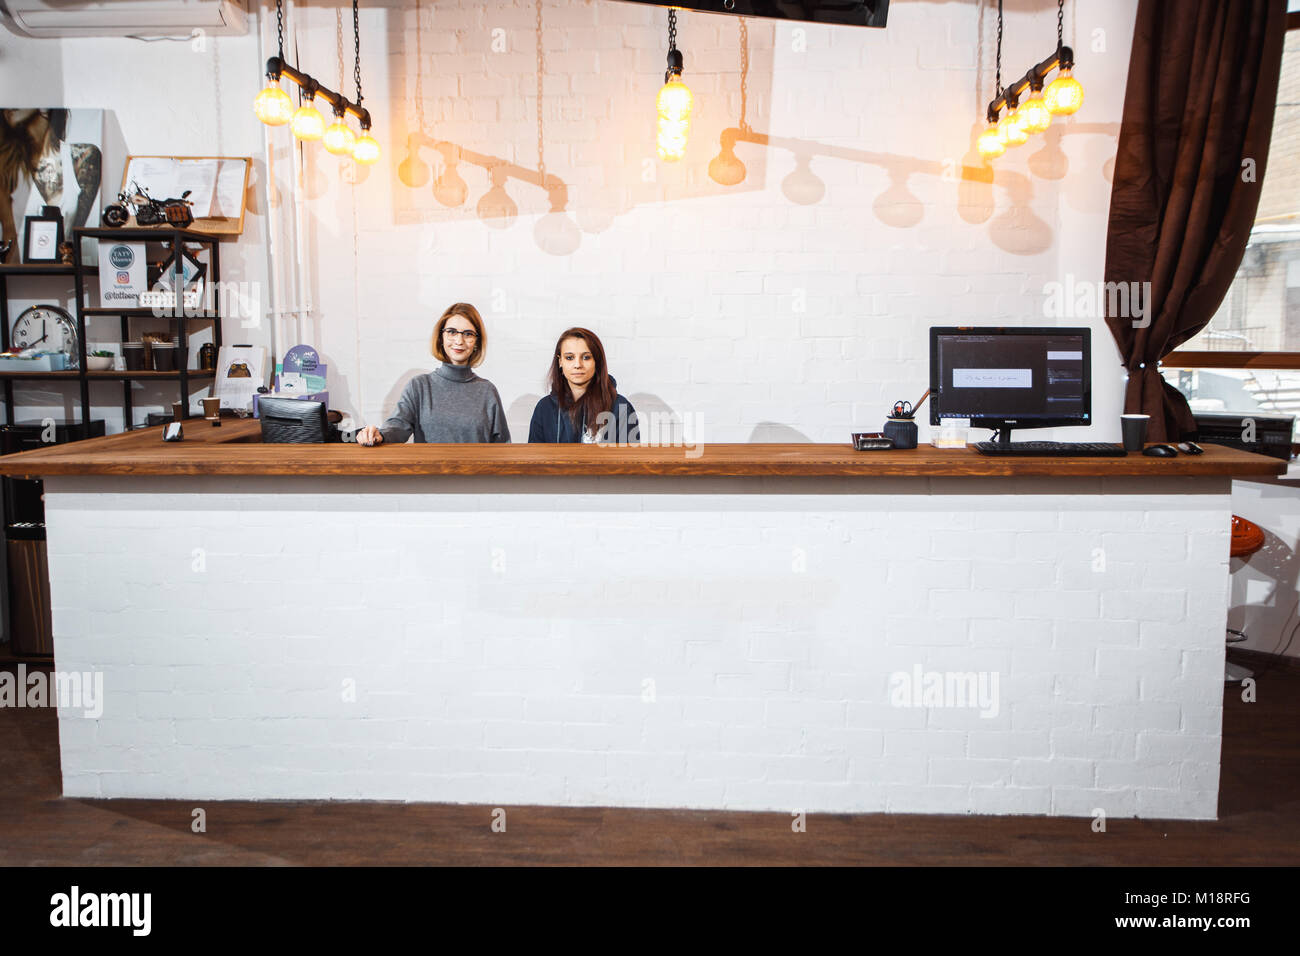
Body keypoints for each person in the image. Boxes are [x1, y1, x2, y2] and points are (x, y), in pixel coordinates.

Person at [357, 303, 510, 445]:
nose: (459, 340)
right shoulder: (419, 386)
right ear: (441, 337)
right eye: (451, 332)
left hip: (476, 474)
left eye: (468, 334)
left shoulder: (487, 391)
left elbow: (502, 448)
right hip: (430, 474)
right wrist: (380, 435)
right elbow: (398, 426)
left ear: (477, 342)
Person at [528, 327, 638, 444]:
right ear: (560, 361)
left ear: (597, 361)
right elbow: (534, 459)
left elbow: (627, 460)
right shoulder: (544, 408)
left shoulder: (620, 407)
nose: (577, 365)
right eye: (569, 357)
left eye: (586, 357)